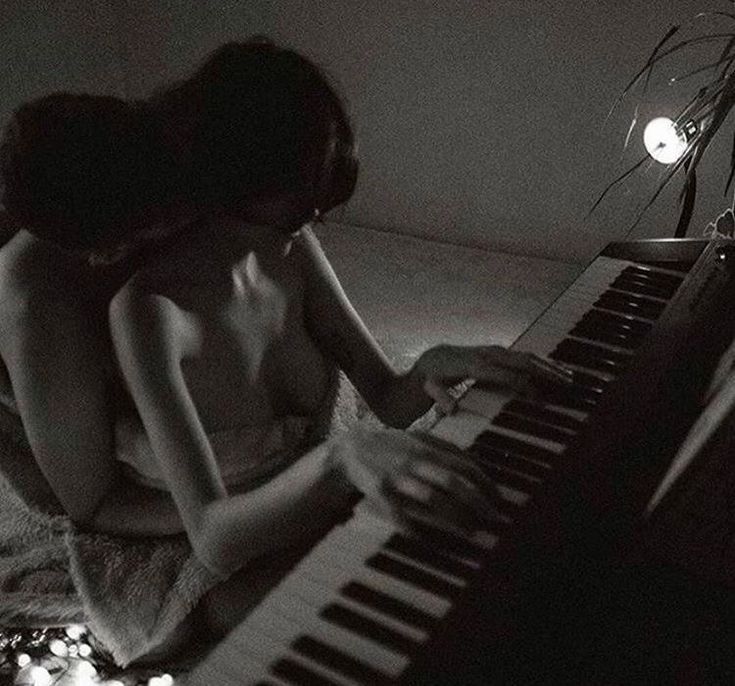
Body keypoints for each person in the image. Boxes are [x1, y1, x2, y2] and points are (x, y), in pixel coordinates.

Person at [0, 40, 573, 652]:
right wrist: (301, 489)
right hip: (142, 478)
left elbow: (383, 389)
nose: (304, 226)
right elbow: (101, 503)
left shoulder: (254, 209)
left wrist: (430, 367)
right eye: (291, 213)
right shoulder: (73, 297)